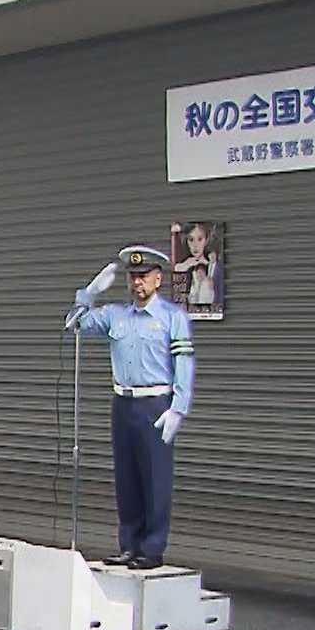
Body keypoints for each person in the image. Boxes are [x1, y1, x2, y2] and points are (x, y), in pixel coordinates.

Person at [69, 244, 195, 570]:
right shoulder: (116, 315)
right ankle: (129, 545)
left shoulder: (172, 318)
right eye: (133, 277)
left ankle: (151, 549)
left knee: (155, 478)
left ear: (157, 279)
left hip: (155, 404)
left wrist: (179, 408)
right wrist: (90, 292)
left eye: (143, 276)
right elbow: (75, 325)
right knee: (126, 478)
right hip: (123, 403)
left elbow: (184, 361)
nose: (137, 283)